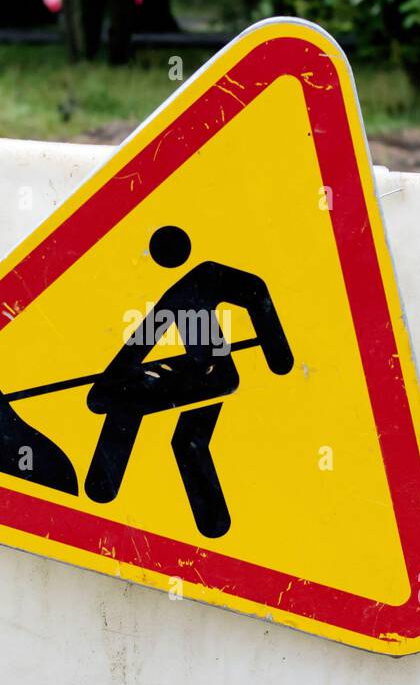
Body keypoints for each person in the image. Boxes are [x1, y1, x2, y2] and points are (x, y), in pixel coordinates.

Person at [84, 225, 293, 538]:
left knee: (172, 431)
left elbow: (254, 291)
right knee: (182, 438)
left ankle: (106, 487)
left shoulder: (204, 278)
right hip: (201, 372)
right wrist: (105, 386)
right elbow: (143, 340)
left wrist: (278, 353)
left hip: (216, 377)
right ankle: (105, 488)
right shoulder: (183, 291)